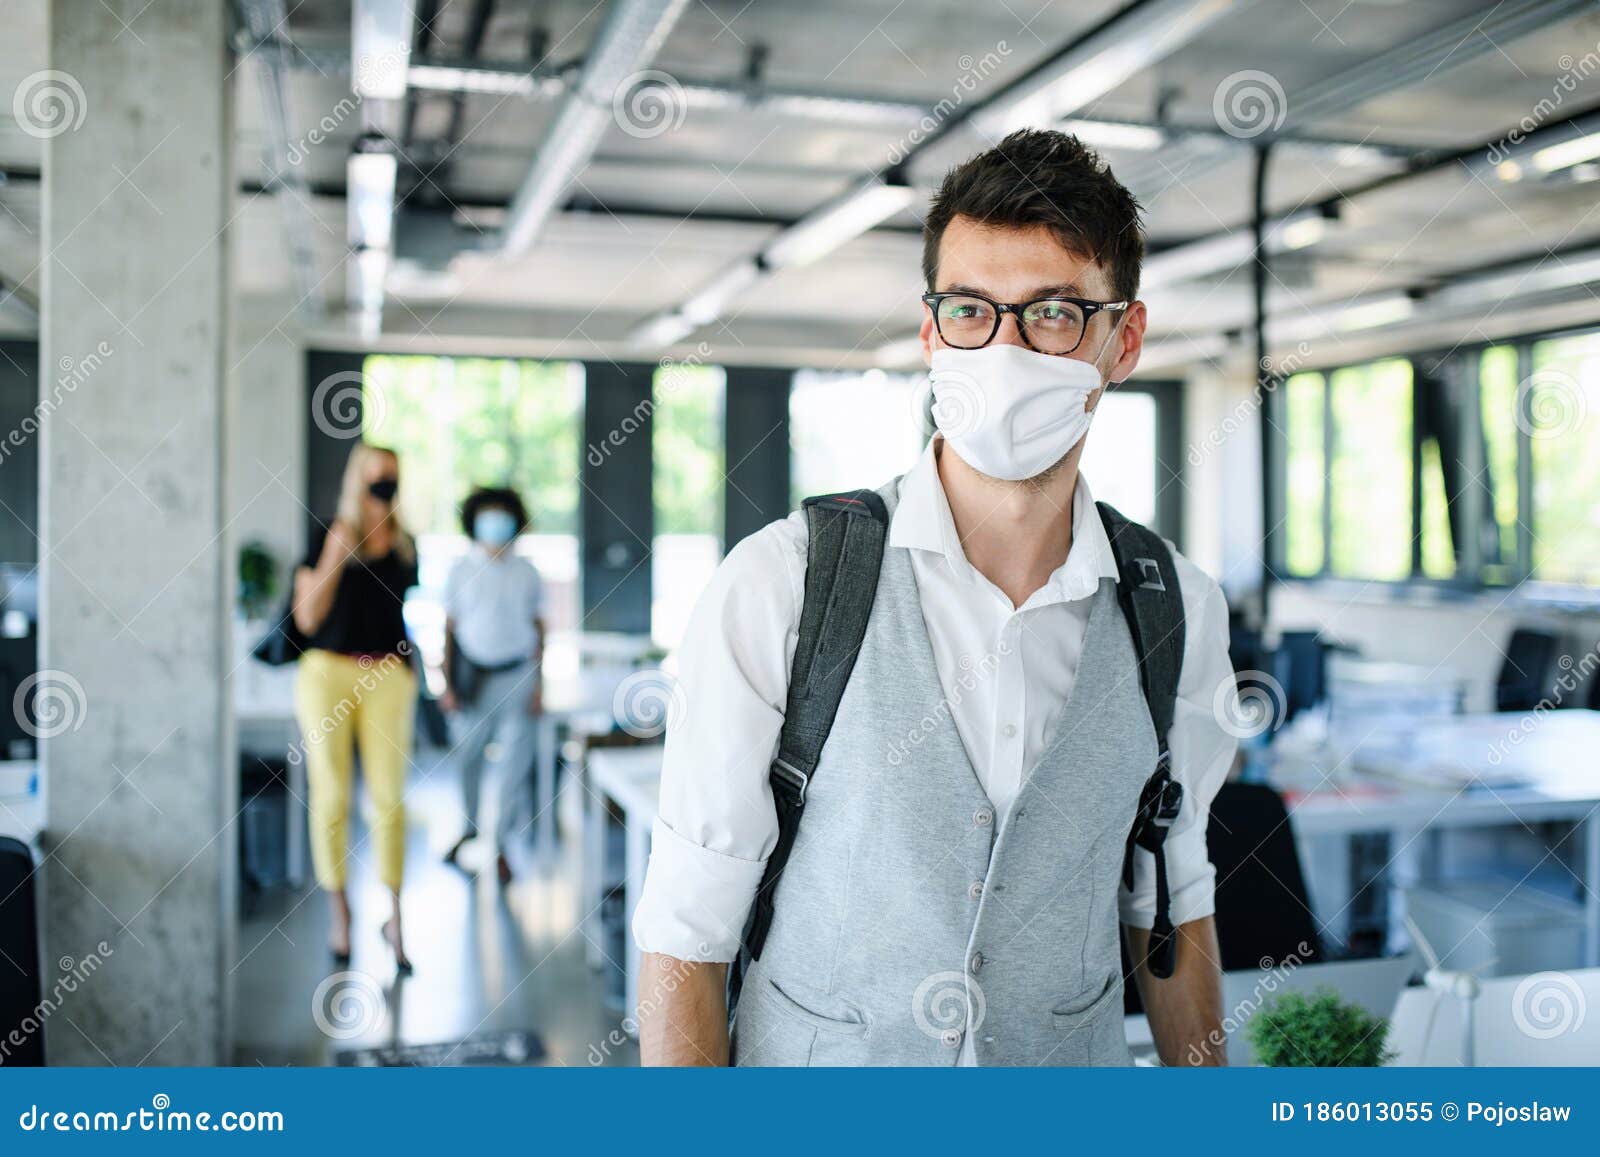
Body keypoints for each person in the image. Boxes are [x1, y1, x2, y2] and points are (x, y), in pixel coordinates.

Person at [633, 129, 1238, 1066]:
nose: (1003, 347)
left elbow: (1171, 897)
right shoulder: (785, 583)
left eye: (1052, 314)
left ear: (1124, 340)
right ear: (931, 334)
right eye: (970, 310)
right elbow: (686, 936)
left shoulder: (1176, 608)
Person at [292, 442, 419, 973]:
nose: (383, 489)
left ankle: (394, 917)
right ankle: (340, 914)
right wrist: (336, 555)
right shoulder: (327, 532)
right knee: (332, 795)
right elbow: (306, 619)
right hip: (328, 672)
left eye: (391, 479)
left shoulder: (406, 544)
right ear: (355, 482)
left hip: (387, 674)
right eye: (374, 481)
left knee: (389, 801)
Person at [439, 486, 546, 886]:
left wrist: (540, 684)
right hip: (473, 680)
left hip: (517, 676)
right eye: (488, 516)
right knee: (468, 759)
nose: (496, 524)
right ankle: (468, 829)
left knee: (513, 768)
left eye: (503, 516)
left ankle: (497, 845)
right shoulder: (459, 571)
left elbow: (539, 628)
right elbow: (448, 631)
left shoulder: (527, 572)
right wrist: (447, 685)